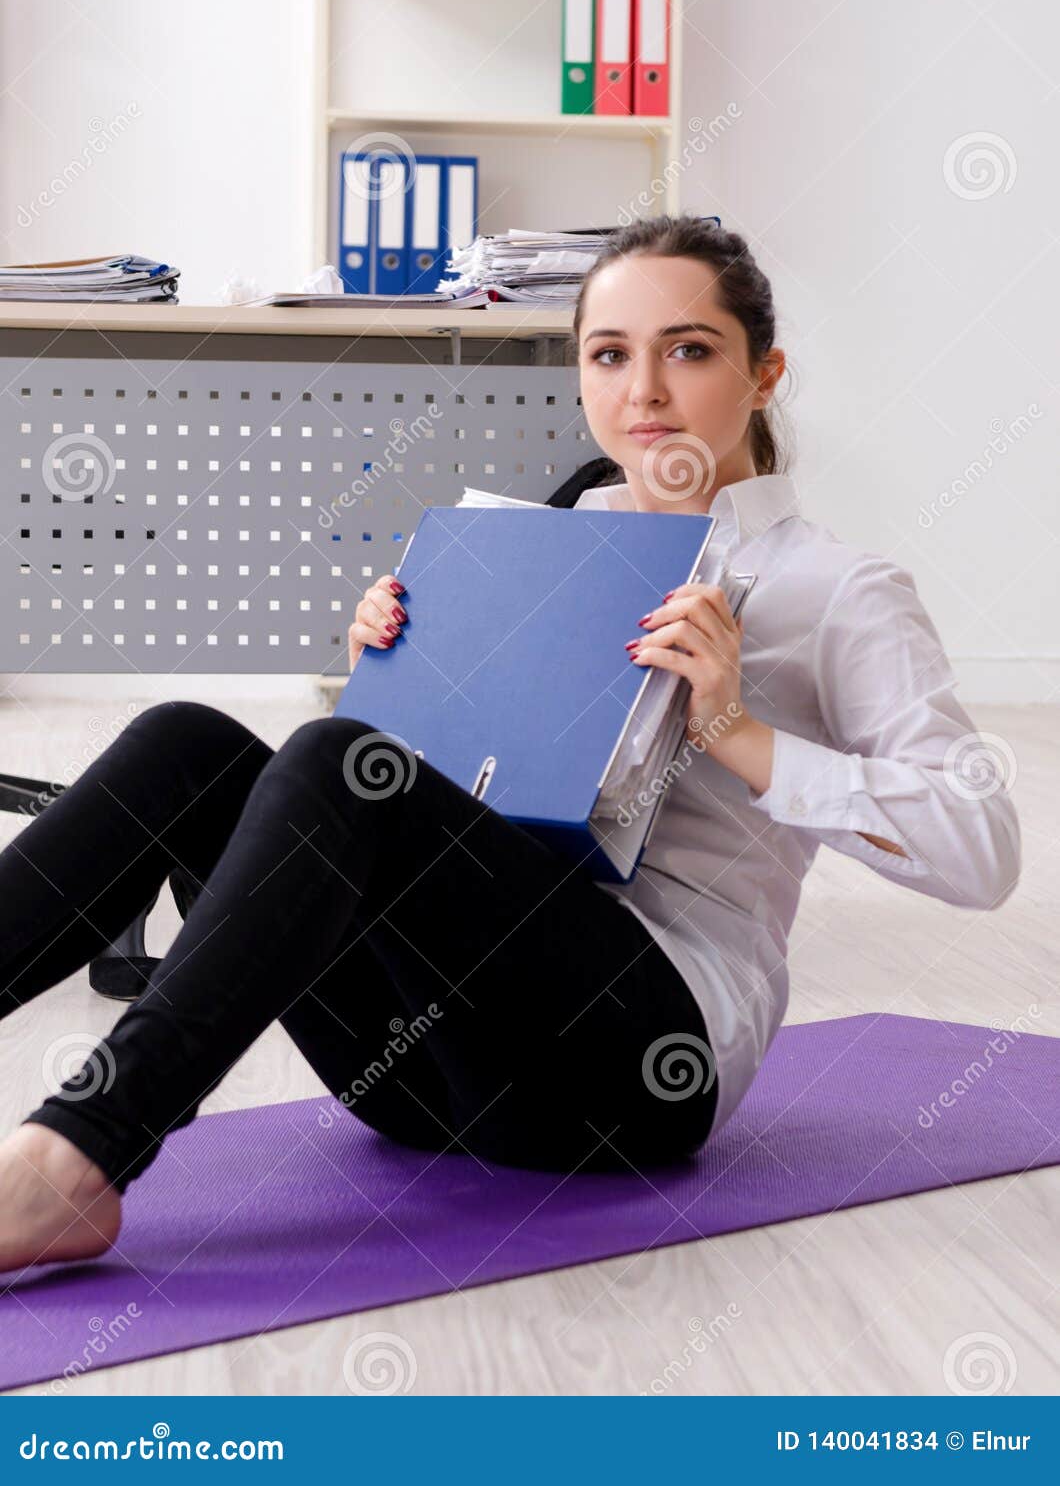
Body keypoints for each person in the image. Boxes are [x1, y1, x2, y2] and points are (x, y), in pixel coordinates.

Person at [0, 216, 1020, 1274]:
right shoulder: (556, 538)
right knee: (190, 746)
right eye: (609, 354)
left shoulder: (841, 592)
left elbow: (981, 850)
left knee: (333, 760)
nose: (645, 392)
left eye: (690, 350)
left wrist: (737, 732)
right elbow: (425, 821)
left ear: (764, 373)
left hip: (624, 1078)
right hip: (419, 1074)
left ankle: (73, 1159)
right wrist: (399, 674)